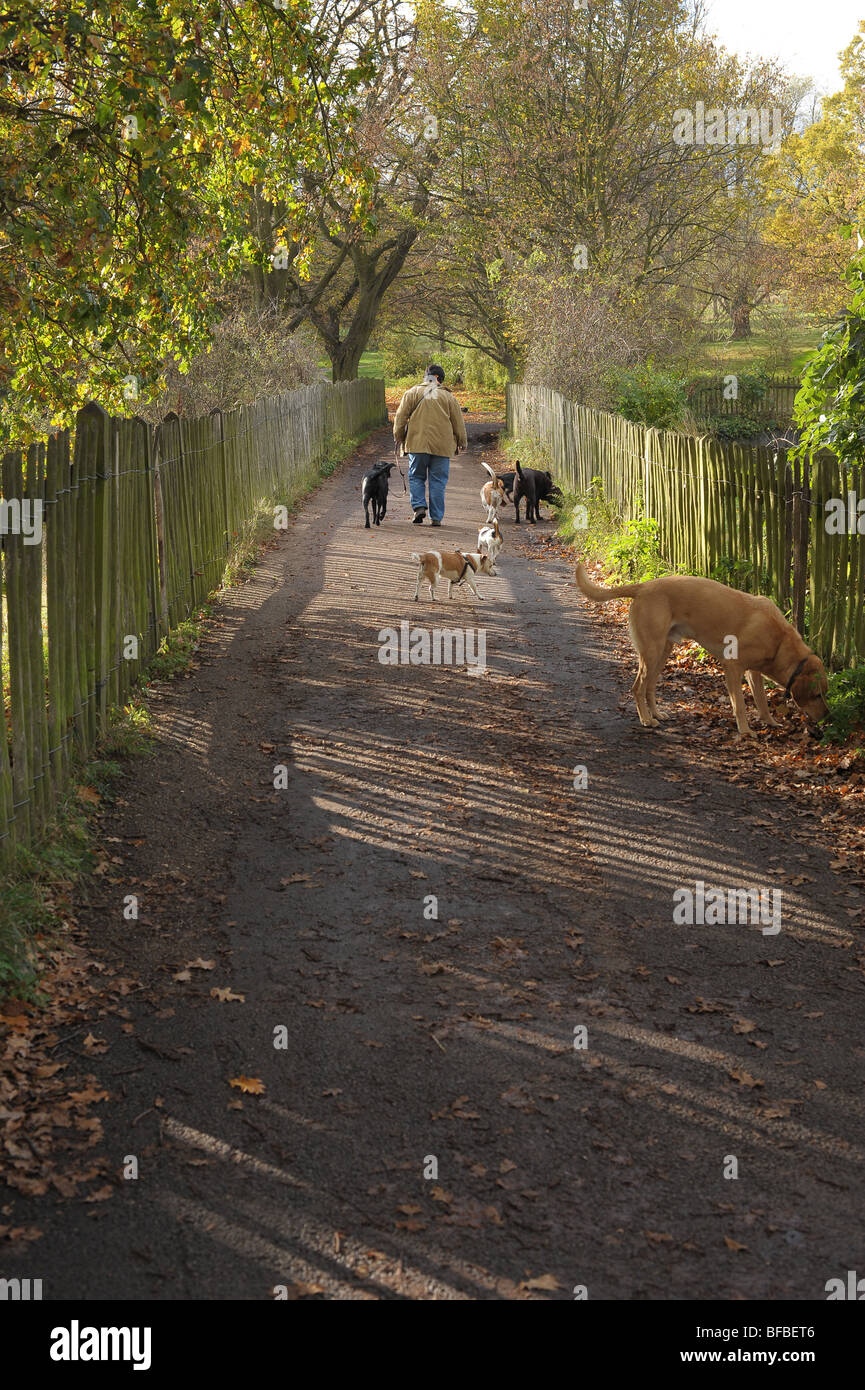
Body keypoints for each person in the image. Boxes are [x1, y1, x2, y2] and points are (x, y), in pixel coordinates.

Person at [393, 363, 467, 526]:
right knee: (438, 481)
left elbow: (400, 418)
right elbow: (458, 422)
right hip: (442, 445)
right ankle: (436, 517)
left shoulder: (411, 393)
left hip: (417, 444)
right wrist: (462, 441)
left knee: (416, 476)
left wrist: (399, 436)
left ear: (426, 377)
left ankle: (419, 506)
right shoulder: (448, 397)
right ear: (439, 379)